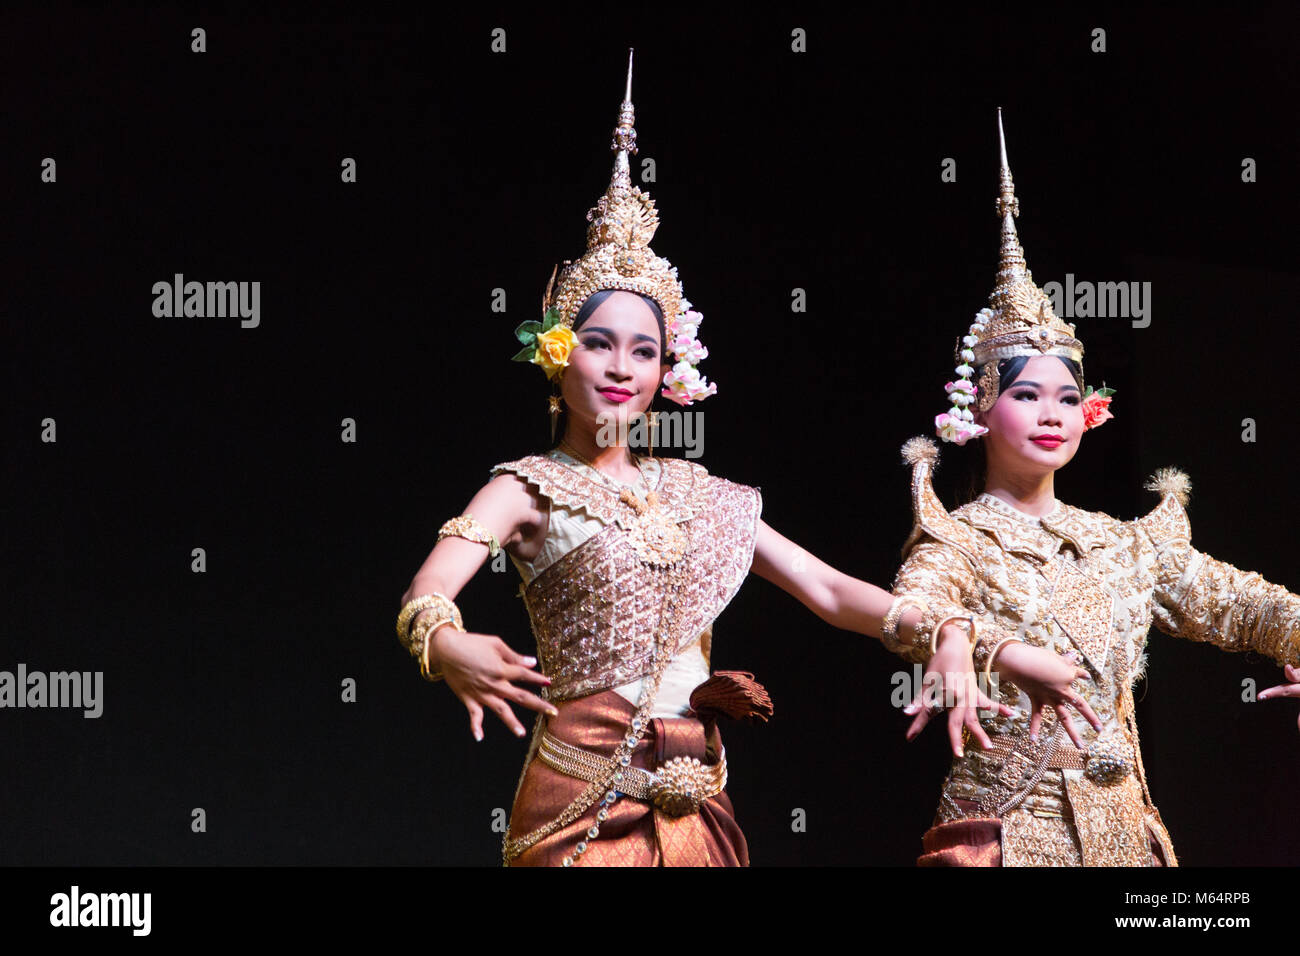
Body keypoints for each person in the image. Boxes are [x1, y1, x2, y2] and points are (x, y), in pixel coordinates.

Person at [395, 51, 1004, 867]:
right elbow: (428, 590)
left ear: (666, 371)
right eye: (599, 343)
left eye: (642, 351)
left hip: (699, 800)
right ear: (556, 353)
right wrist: (447, 643)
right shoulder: (523, 488)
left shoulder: (698, 494)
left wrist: (948, 629)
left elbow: (825, 589)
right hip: (581, 796)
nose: (620, 367)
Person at [889, 110, 1300, 866]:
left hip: (1125, 836)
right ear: (980, 407)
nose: (1052, 414)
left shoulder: (1126, 544)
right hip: (1009, 833)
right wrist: (950, 637)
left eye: (1065, 398)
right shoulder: (959, 537)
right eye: (1026, 396)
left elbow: (1249, 606)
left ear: (1091, 412)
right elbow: (916, 604)